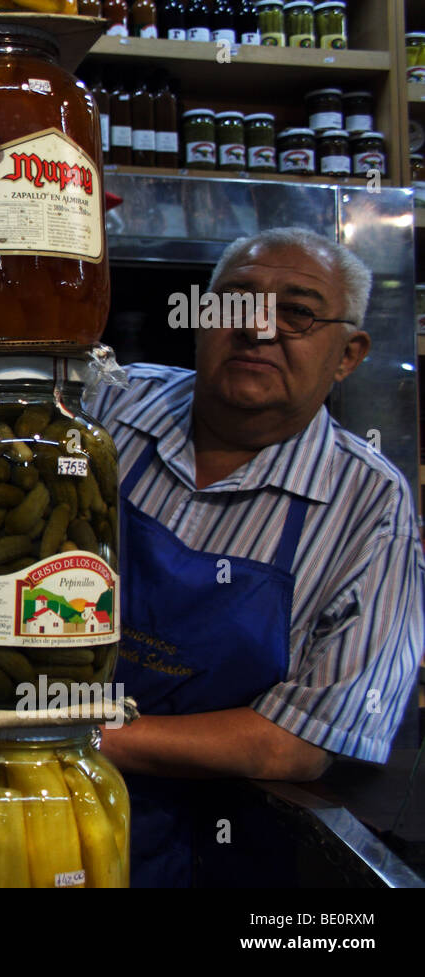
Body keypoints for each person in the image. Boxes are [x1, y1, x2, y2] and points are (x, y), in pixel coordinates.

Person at [84, 226, 425, 888]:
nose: (257, 328)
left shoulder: (370, 505)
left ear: (348, 353)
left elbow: (297, 743)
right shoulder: (108, 406)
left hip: (215, 847)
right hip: (30, 808)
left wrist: (71, 734)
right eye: (234, 303)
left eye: (296, 311)